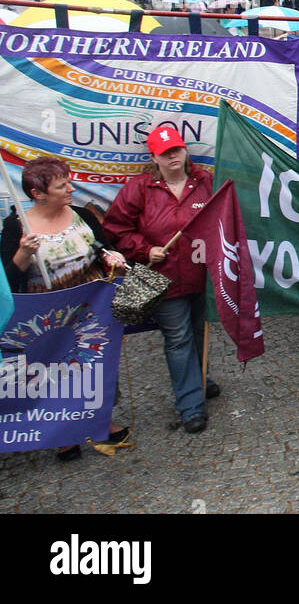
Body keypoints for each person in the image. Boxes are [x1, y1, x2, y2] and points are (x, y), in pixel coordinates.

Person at [2, 158, 129, 459]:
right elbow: (6, 281)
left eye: (69, 181)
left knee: (94, 364)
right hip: (47, 313)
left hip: (89, 308)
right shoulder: (16, 225)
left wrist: (112, 259)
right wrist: (23, 254)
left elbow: (103, 248)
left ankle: (101, 421)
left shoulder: (82, 215)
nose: (71, 188)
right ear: (39, 194)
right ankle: (63, 433)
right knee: (53, 370)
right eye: (62, 185)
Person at [103, 126, 220, 435]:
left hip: (200, 274)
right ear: (153, 157)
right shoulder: (139, 188)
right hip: (163, 279)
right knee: (178, 338)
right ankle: (190, 405)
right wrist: (144, 249)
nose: (173, 158)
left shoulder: (204, 182)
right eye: (165, 153)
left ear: (185, 151)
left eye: (177, 150)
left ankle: (198, 377)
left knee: (198, 332)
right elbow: (115, 228)